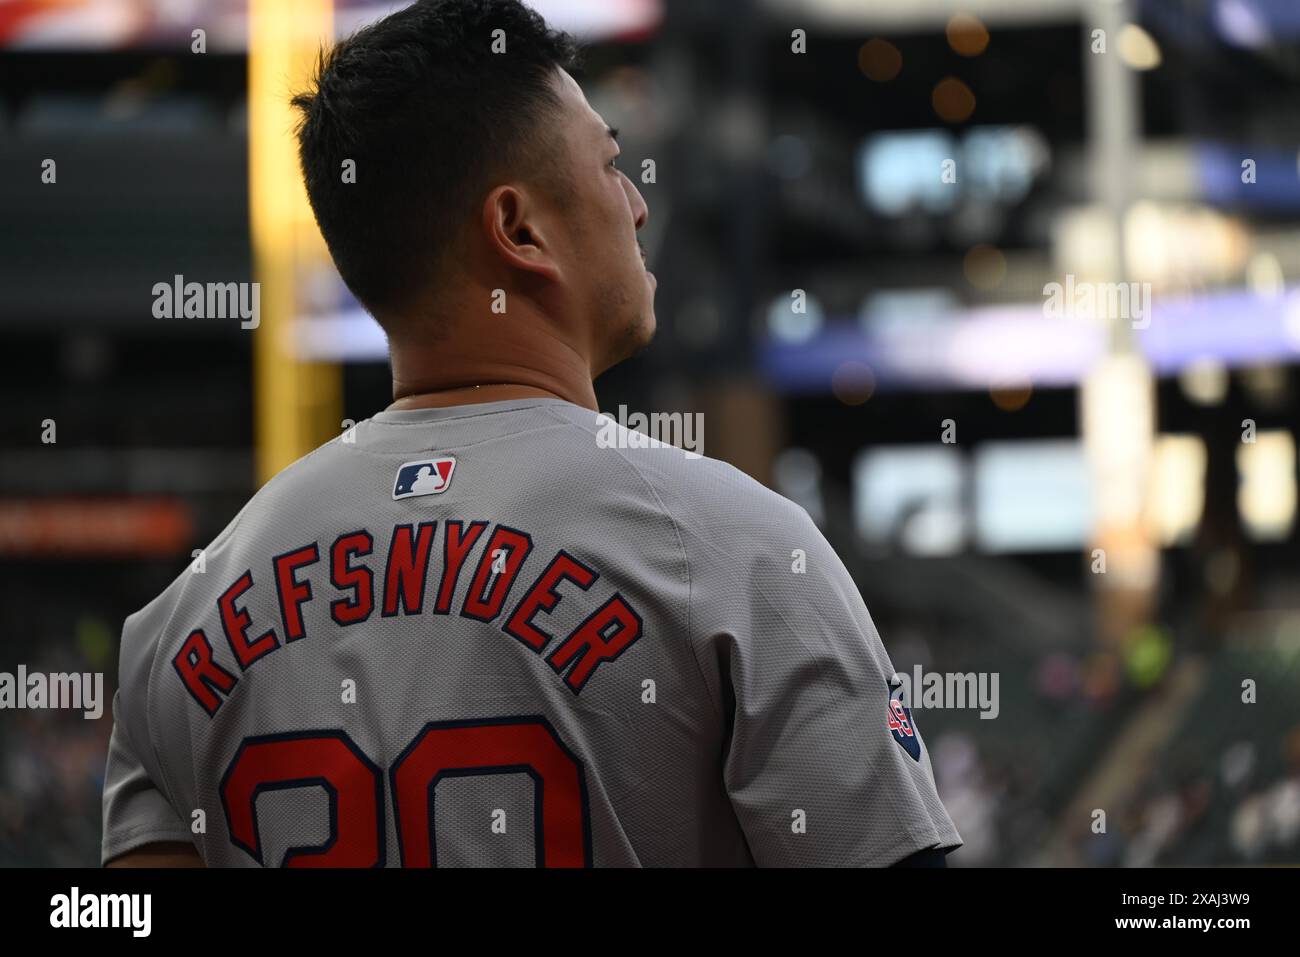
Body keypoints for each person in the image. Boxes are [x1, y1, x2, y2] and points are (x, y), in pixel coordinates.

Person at [102, 0, 960, 867]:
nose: (635, 207)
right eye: (611, 166)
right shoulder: (739, 552)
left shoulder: (178, 622)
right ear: (519, 229)